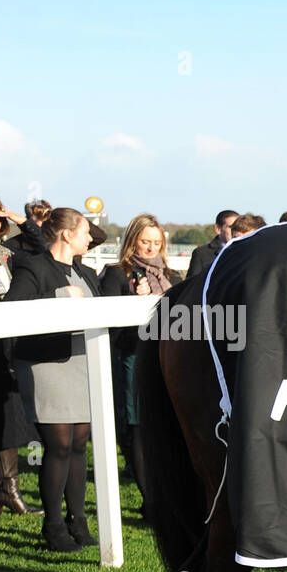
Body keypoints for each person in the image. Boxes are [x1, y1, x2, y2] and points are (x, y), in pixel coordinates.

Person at [6, 208, 102, 552]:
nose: (91, 239)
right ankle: (54, 526)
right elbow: (14, 307)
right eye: (85, 232)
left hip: (82, 361)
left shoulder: (86, 272)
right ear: (66, 234)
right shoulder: (33, 266)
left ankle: (79, 522)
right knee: (59, 446)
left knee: (78, 446)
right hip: (48, 363)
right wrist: (59, 298)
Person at [99, 213, 180, 514]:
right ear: (132, 241)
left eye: (156, 242)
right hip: (133, 355)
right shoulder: (117, 273)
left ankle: (168, 492)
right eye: (145, 242)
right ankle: (150, 500)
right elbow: (111, 326)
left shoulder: (171, 275)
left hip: (168, 358)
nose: (151, 248)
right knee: (139, 426)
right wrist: (134, 303)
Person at [0, 195, 42, 527]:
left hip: (3, 348)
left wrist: (19, 219)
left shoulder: (6, 253)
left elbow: (42, 252)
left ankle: (8, 490)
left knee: (7, 419)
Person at [187, 209, 237, 279]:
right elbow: (192, 284)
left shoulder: (246, 252)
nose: (235, 231)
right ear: (218, 229)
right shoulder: (201, 254)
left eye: (238, 227)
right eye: (231, 227)